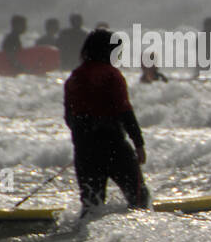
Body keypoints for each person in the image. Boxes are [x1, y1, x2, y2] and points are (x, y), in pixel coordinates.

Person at [63, 29, 152, 213]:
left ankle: (81, 240)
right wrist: (139, 144)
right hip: (114, 148)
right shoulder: (111, 75)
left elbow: (69, 118)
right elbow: (125, 112)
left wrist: (84, 144)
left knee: (91, 206)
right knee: (139, 199)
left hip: (85, 150)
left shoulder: (74, 77)